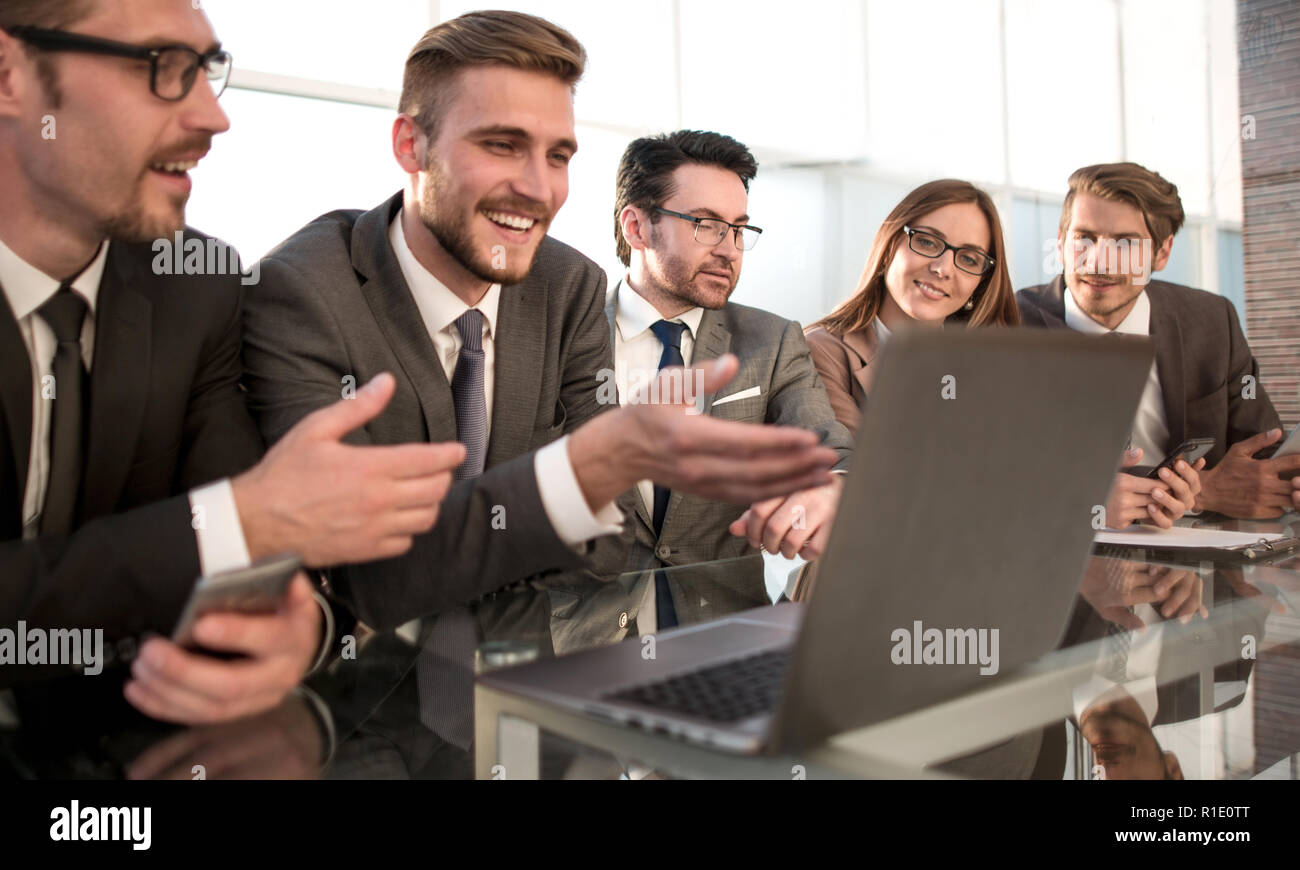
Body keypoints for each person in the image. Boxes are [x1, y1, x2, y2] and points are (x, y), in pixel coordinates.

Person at [240, 11, 838, 631]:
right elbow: (364, 574)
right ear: (409, 145)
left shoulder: (564, 283)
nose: (537, 187)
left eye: (558, 155)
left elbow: (602, 548)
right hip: (372, 691)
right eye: (501, 145)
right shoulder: (300, 290)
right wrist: (577, 476)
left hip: (531, 671)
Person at [0, 0, 465, 723]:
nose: (215, 119)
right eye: (162, 69)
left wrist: (296, 623)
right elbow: (235, 517)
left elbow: (248, 537)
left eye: (206, 72)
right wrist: (235, 522)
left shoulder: (195, 282)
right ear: (10, 75)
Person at [600, 129, 851, 628]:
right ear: (636, 227)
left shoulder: (771, 340)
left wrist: (831, 491)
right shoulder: (569, 334)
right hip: (587, 647)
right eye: (706, 225)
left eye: (738, 229)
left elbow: (833, 451)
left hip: (723, 634)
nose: (730, 249)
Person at [1018, 162, 1297, 521]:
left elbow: (1262, 455)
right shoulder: (1005, 327)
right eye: (1084, 237)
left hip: (1201, 563)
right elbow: (985, 474)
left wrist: (1286, 481)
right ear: (1060, 241)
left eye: (1126, 244)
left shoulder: (1212, 321)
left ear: (1162, 254)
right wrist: (1204, 489)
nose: (1099, 261)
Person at [804, 179, 1019, 437]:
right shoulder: (820, 353)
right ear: (890, 244)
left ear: (980, 282)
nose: (942, 269)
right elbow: (856, 465)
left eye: (968, 259)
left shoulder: (987, 363)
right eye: (928, 242)